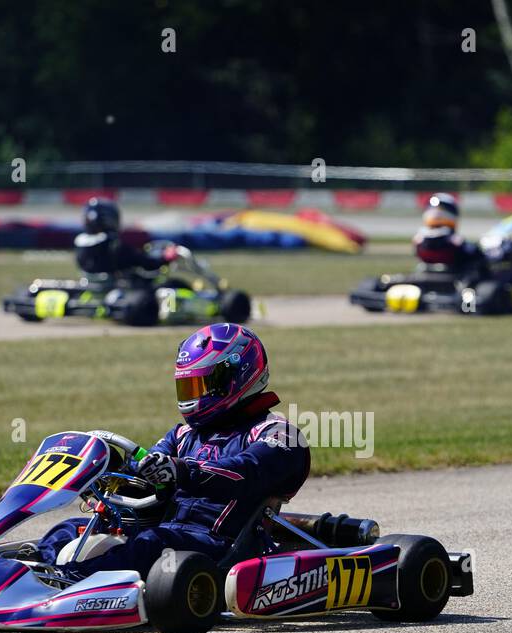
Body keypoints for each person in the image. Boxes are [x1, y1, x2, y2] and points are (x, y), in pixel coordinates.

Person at [37, 323, 310, 579]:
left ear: (237, 377)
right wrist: (107, 477)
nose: (192, 397)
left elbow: (246, 472)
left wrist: (181, 470)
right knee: (69, 529)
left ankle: (70, 582)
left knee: (152, 545)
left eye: (200, 386)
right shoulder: (183, 435)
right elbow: (144, 477)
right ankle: (34, 576)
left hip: (219, 546)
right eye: (187, 387)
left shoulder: (278, 434)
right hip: (165, 532)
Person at [414, 192, 512, 284]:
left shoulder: (419, 240)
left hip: (437, 276)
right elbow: (474, 255)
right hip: (467, 277)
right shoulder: (452, 241)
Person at [73, 196, 177, 275]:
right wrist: (165, 258)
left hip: (92, 289)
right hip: (118, 292)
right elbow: (146, 263)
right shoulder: (113, 246)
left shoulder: (80, 244)